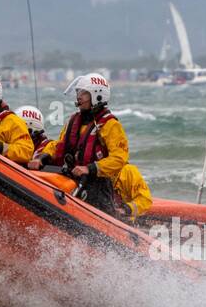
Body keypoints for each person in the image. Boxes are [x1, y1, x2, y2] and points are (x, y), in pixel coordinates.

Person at [27, 73, 151, 218]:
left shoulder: (110, 125)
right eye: (78, 93)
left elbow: (119, 158)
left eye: (84, 93)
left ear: (97, 96)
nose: (79, 97)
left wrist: (90, 168)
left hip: (98, 185)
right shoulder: (74, 122)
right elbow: (58, 145)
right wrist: (42, 158)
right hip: (74, 179)